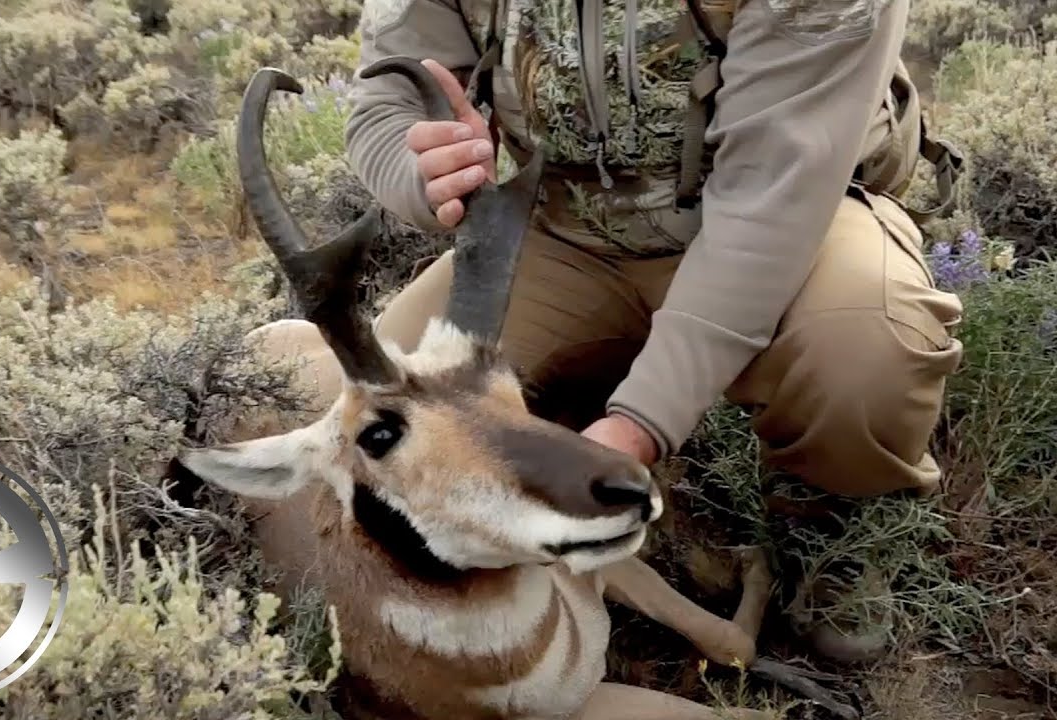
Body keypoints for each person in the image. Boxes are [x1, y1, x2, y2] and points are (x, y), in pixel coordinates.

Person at [317, 0, 966, 662]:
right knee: (371, 427)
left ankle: (830, 520)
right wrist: (419, 170)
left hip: (795, 215)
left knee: (862, 356)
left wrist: (640, 424)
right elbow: (388, 96)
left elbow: (769, 198)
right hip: (564, 232)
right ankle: (554, 433)